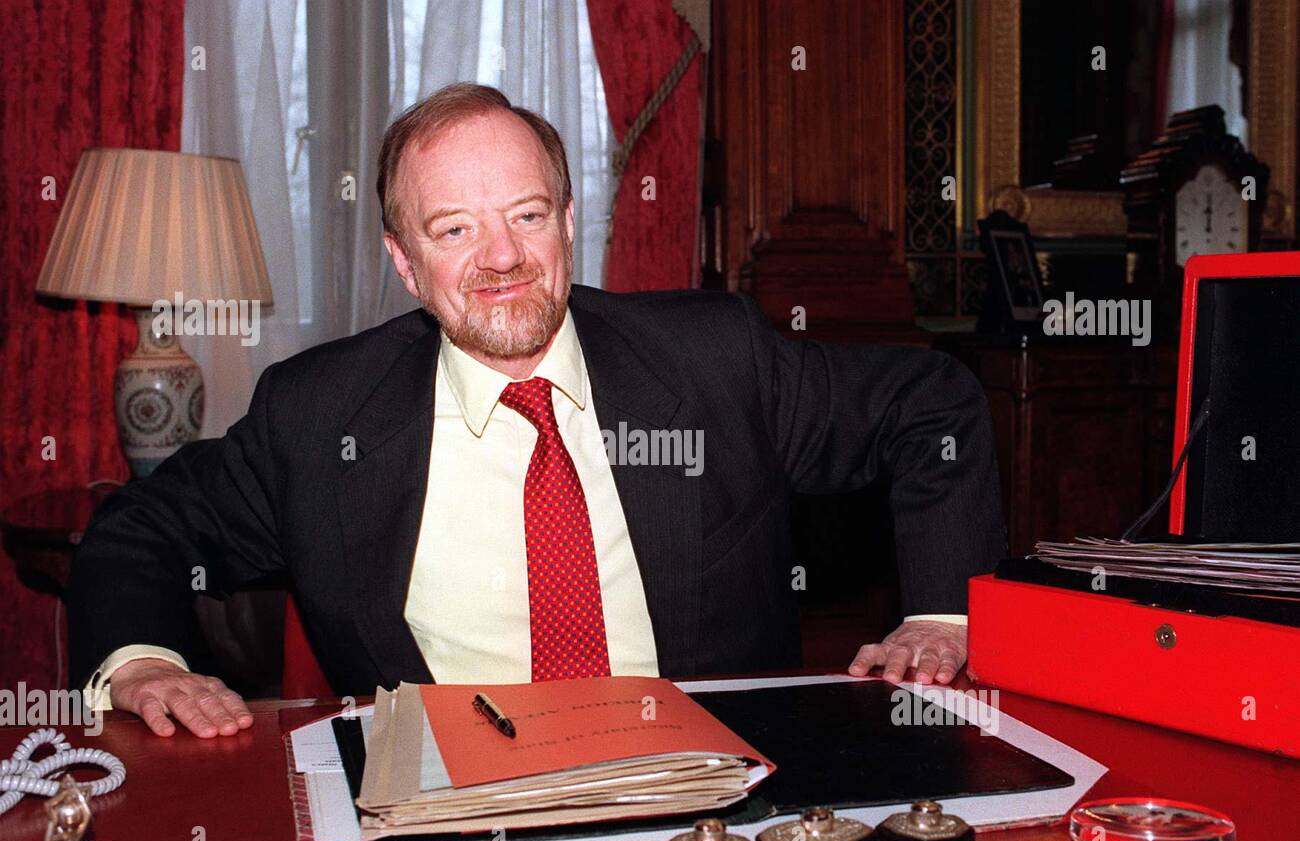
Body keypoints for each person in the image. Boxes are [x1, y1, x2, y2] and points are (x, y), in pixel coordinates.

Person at [68, 83, 1006, 738]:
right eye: (454, 229)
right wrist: (144, 662)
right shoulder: (319, 415)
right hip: (450, 823)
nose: (501, 257)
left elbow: (933, 404)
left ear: (567, 223)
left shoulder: (716, 359)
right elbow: (141, 528)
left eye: (525, 213)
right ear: (406, 262)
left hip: (710, 807)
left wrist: (943, 617)